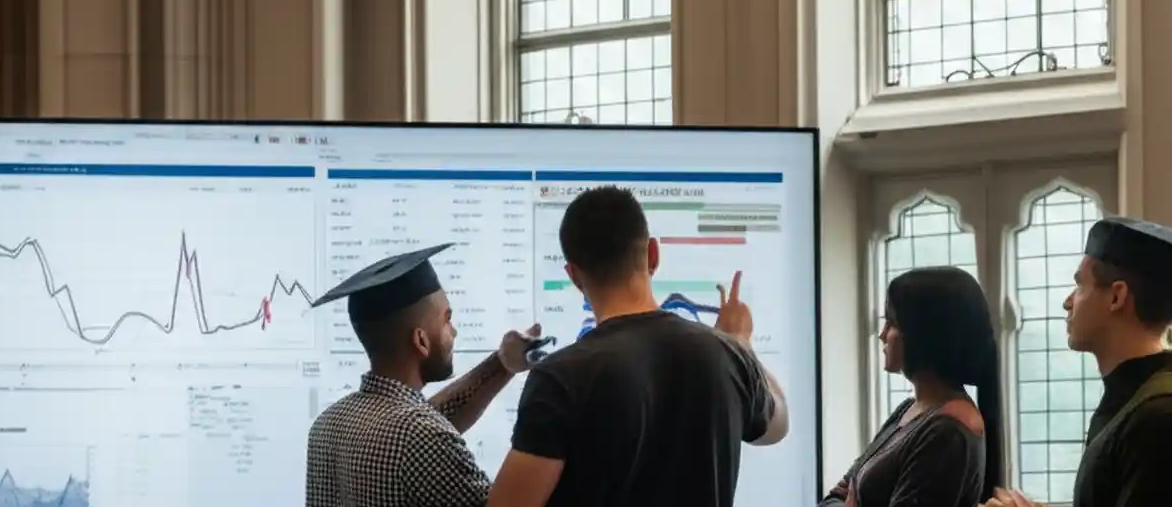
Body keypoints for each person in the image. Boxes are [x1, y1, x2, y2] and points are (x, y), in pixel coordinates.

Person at [486, 185, 789, 507]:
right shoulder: (726, 355)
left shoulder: (559, 377)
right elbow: (777, 426)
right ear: (653, 254)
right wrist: (742, 343)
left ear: (574, 275)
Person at [305, 243, 544, 507]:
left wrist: (502, 364)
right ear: (421, 340)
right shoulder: (421, 436)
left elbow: (419, 419)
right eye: (446, 320)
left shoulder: (327, 425)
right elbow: (423, 430)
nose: (453, 331)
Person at [982, 217, 1172, 507]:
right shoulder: (1134, 396)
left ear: (1117, 297)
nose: (1068, 302)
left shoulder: (1158, 414)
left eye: (1080, 286)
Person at [820, 267, 1003, 507]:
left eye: (891, 323)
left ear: (924, 331)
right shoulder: (910, 409)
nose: (882, 335)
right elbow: (836, 495)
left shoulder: (948, 430)